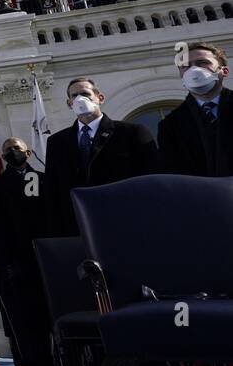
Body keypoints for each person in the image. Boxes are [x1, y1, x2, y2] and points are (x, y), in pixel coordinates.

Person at [43, 77, 159, 236]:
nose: (79, 99)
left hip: (127, 221)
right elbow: (53, 190)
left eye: (85, 93)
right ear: (69, 104)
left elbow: (150, 179)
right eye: (74, 96)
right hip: (79, 227)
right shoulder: (56, 142)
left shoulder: (132, 132)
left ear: (100, 98)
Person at [0, 137, 54, 366]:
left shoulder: (46, 180)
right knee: (31, 321)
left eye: (16, 148)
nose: (12, 152)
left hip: (49, 257)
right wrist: (3, 264)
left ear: (29, 152)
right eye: (7, 150)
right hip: (19, 261)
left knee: (56, 317)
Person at [158, 42, 233, 176]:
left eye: (202, 62)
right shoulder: (170, 126)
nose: (193, 70)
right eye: (184, 66)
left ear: (224, 71)